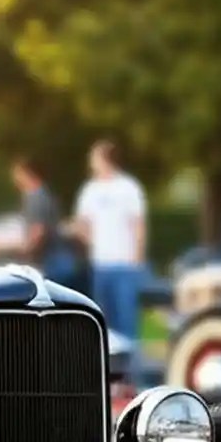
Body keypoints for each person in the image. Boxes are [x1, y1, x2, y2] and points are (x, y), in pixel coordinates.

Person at [74, 140, 146, 341]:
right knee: (104, 322)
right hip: (101, 265)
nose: (91, 163)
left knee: (126, 322)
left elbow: (138, 224)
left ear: (104, 160)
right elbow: (82, 224)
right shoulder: (90, 190)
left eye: (94, 158)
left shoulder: (128, 188)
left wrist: (137, 257)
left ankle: (131, 369)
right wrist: (92, 243)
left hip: (124, 264)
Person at [12, 157, 87, 293]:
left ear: (28, 174)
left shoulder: (35, 196)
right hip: (62, 259)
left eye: (18, 174)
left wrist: (24, 252)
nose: (16, 179)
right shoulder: (46, 194)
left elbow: (38, 231)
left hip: (52, 262)